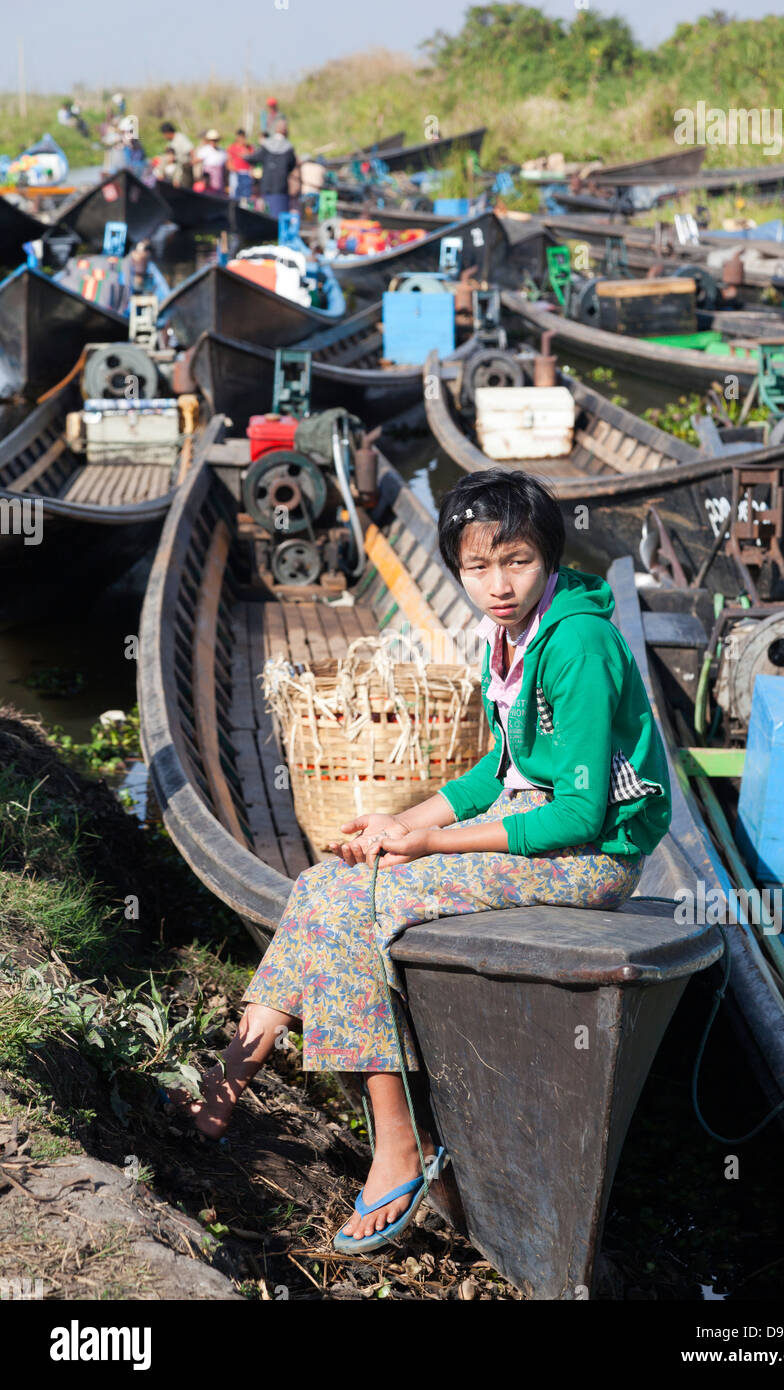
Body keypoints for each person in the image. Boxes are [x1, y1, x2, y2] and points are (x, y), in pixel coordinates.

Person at [163, 468, 672, 1252]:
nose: (498, 585)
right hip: (532, 824)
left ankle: (397, 1145)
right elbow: (493, 772)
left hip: (588, 856)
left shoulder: (577, 642)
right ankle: (239, 1062)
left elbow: (579, 814)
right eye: (477, 568)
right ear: (455, 567)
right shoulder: (513, 634)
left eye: (517, 562)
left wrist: (426, 843)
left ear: (549, 557)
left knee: (356, 902)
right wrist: (403, 820)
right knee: (323, 881)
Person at [248, 118, 296, 216]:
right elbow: (292, 165)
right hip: (281, 187)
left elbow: (254, 158)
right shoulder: (288, 148)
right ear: (286, 131)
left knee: (266, 215)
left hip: (266, 186)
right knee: (279, 216)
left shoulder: (266, 145)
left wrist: (243, 156)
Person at [159, 121, 194, 188]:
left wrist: (193, 161)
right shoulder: (171, 141)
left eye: (164, 134)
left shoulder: (180, 138)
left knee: (184, 187)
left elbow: (190, 149)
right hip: (176, 166)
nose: (164, 136)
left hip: (184, 166)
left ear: (168, 132)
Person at [196, 129, 228, 195]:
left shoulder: (222, 151)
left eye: (215, 140)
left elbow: (225, 167)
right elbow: (196, 161)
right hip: (208, 178)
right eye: (212, 140)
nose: (213, 142)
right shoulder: (205, 150)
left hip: (219, 179)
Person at [227, 128, 254, 199]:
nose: (242, 139)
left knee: (246, 194)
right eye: (241, 137)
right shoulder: (232, 147)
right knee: (234, 193)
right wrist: (233, 169)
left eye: (243, 137)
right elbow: (229, 161)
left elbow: (252, 160)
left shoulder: (249, 147)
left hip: (247, 173)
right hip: (236, 173)